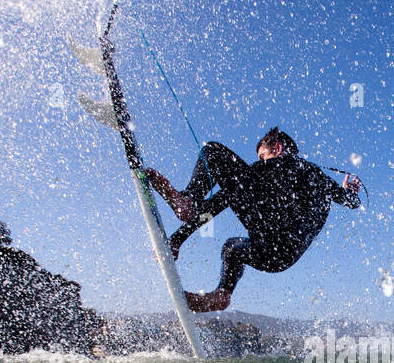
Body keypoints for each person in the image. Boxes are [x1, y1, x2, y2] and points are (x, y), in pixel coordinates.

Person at [144, 128, 363, 312]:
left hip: (273, 236)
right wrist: (348, 191)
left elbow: (226, 196)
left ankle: (190, 200)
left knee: (213, 151)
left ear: (277, 148)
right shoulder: (319, 178)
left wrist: (178, 238)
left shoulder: (282, 164)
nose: (261, 162)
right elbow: (352, 202)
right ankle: (222, 294)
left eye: (262, 156)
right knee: (232, 248)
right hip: (281, 258)